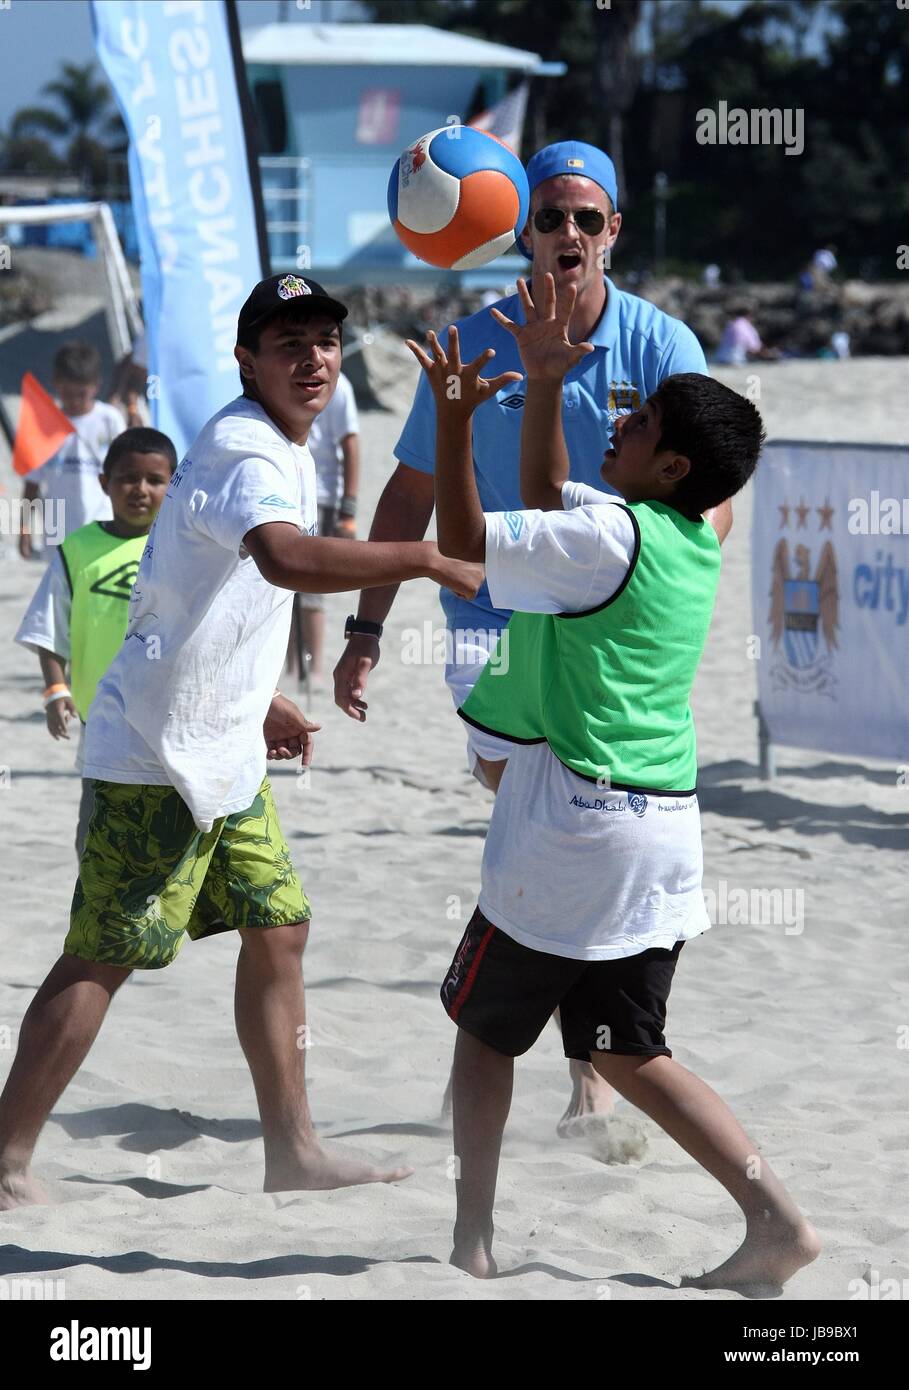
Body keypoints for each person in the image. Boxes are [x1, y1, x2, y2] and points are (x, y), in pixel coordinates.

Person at [0, 273, 481, 1212]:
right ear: (246, 360)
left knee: (279, 928)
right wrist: (424, 556)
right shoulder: (243, 449)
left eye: (325, 341)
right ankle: (6, 1156)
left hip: (217, 747)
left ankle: (292, 1151)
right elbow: (286, 560)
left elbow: (205, 593)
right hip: (150, 757)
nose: (312, 357)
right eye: (288, 342)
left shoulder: (284, 443)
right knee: (106, 952)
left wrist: (257, 698)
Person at [407, 273, 820, 1289]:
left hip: (568, 827)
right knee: (632, 1050)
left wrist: (459, 424)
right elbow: (550, 493)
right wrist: (545, 383)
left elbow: (465, 539)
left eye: (637, 421)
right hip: (661, 827)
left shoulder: (608, 539)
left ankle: (472, 1242)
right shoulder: (682, 535)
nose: (621, 422)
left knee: (483, 1029)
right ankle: (778, 1222)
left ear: (670, 461)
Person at [334, 140, 727, 1130]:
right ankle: (580, 1039)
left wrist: (656, 566)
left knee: (566, 822)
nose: (566, 235)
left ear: (614, 235)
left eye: (586, 220)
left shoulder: (662, 344)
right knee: (532, 794)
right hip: (491, 616)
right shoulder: (476, 339)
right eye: (549, 218)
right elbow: (414, 490)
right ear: (521, 229)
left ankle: (586, 1050)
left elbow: (714, 494)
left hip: (612, 614)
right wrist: (364, 627)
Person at [14, 428, 176, 858]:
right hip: (101, 721)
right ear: (104, 483)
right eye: (127, 478)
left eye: (156, 480)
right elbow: (49, 626)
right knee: (95, 836)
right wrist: (55, 689)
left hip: (170, 720)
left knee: (165, 839)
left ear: (174, 485)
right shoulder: (79, 549)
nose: (140, 490)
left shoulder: (183, 549)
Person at [18, 341, 125, 560]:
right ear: (56, 383)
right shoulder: (43, 424)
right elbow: (31, 483)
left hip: (102, 528)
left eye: (81, 393)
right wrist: (24, 528)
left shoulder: (109, 420)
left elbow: (125, 472)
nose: (75, 400)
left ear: (96, 385)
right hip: (59, 536)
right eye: (68, 392)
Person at [290, 370, 360, 688]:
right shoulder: (285, 379)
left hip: (323, 498)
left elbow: (351, 445)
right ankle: (294, 668)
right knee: (284, 588)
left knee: (311, 590)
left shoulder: (340, 386)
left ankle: (315, 667)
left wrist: (349, 510)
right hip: (288, 493)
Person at [714, 305, 780, 366]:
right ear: (748, 315)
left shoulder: (730, 325)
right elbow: (755, 347)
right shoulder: (745, 326)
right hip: (735, 360)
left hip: (720, 358)